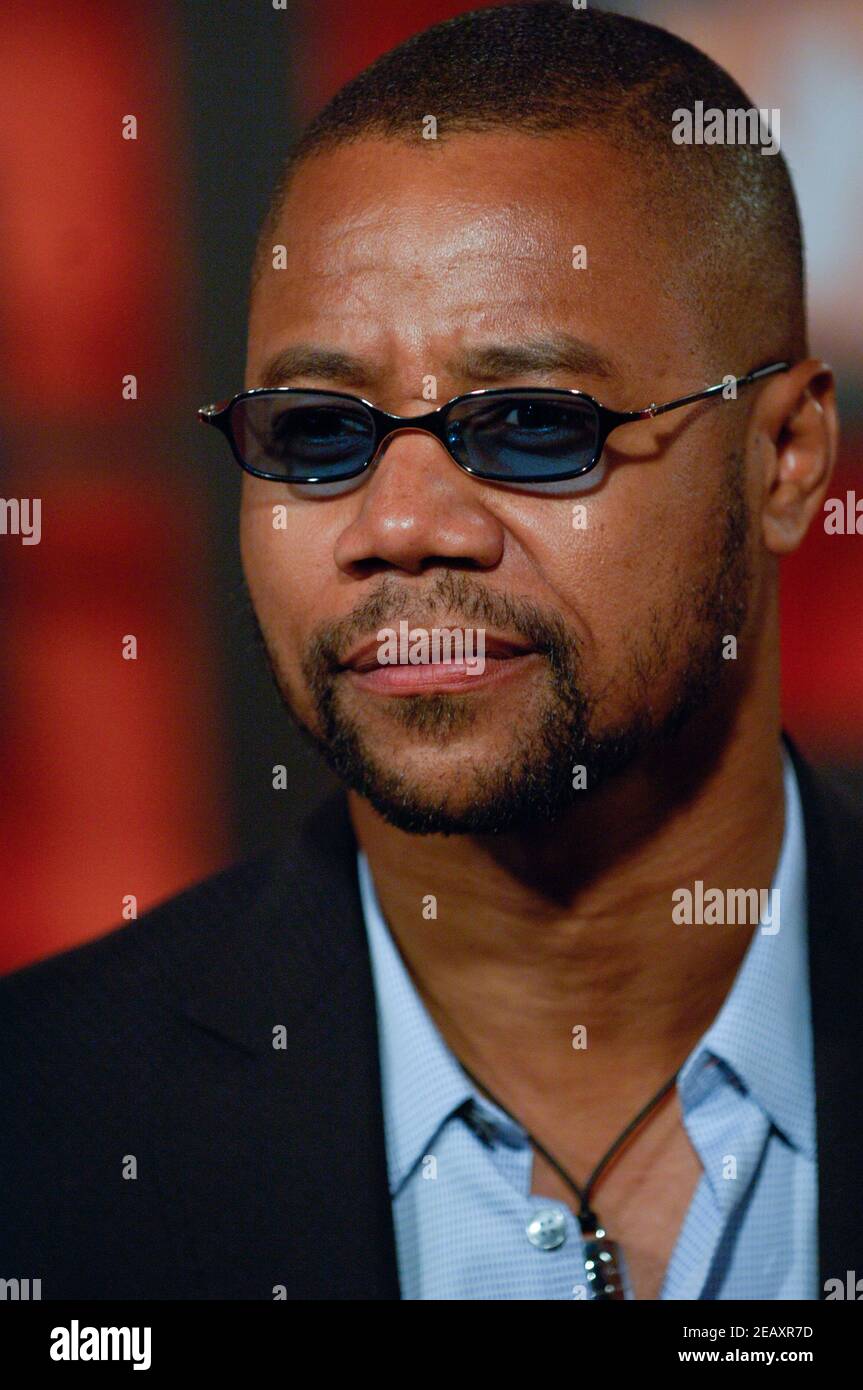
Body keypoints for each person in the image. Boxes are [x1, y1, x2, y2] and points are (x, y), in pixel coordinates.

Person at [2, 2, 859, 1302]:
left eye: (529, 422)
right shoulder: (43, 1122)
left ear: (784, 458)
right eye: (318, 433)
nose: (398, 525)